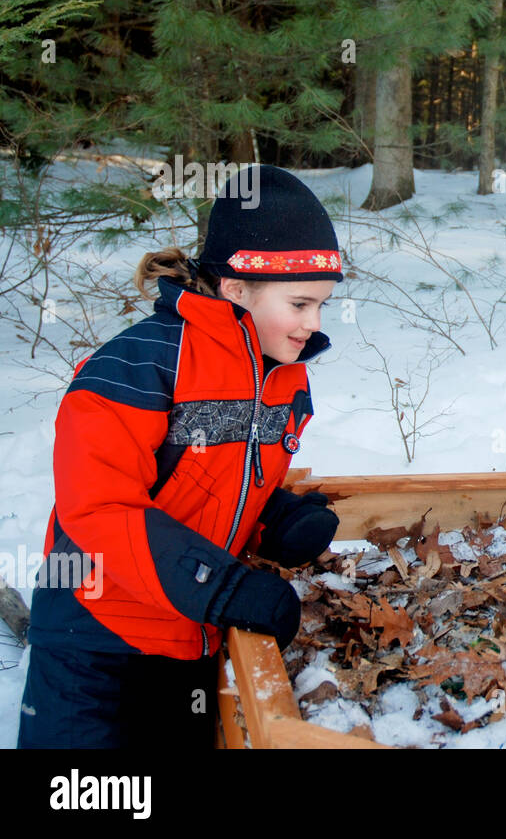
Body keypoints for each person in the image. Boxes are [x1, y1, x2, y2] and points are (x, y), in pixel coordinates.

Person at [18, 165, 344, 748]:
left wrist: (272, 520)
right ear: (236, 288)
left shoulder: (282, 376)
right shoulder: (134, 369)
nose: (313, 325)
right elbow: (99, 510)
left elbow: (219, 483)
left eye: (322, 304)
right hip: (94, 637)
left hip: (189, 633)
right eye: (299, 304)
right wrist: (220, 588)